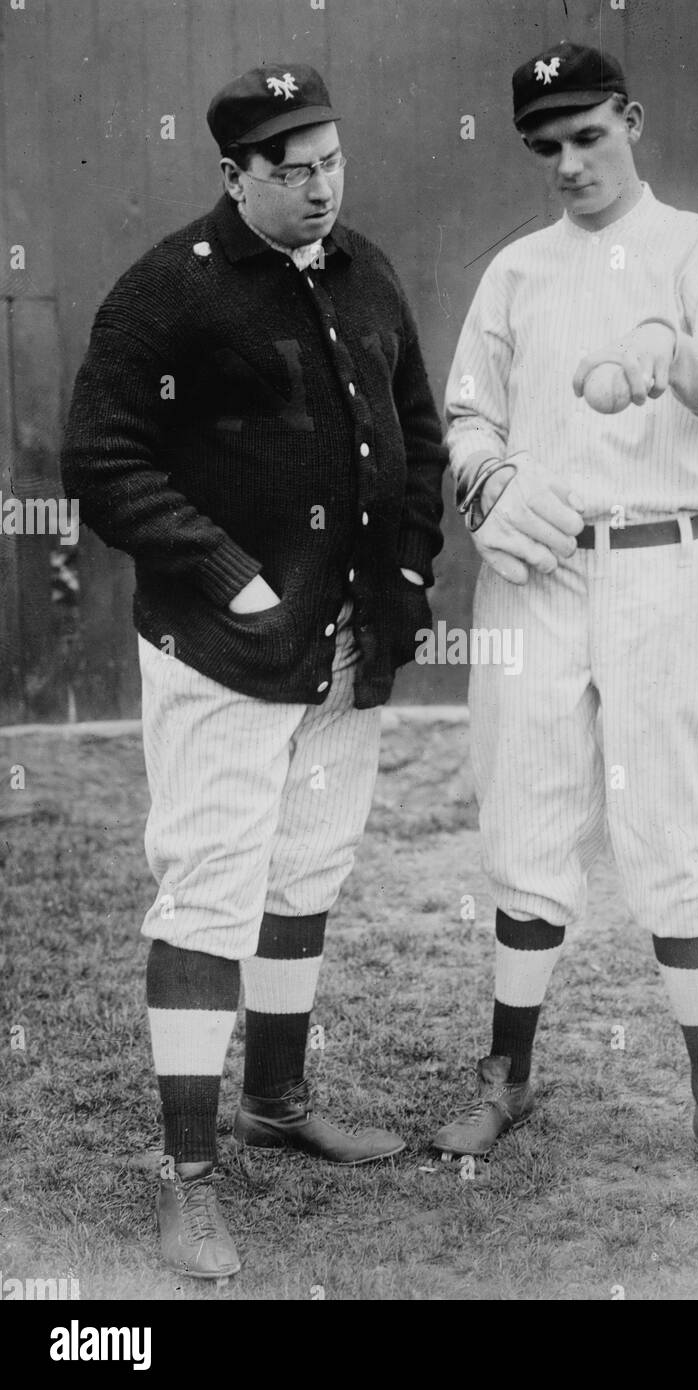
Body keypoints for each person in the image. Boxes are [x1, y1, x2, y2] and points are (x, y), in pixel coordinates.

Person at [60, 62, 446, 1277]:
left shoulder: (366, 269)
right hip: (223, 652)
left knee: (307, 868)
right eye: (290, 172)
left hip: (344, 649)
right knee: (209, 890)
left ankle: (277, 1102)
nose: (319, 188)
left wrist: (408, 580)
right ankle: (185, 1178)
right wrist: (231, 572)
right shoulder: (169, 293)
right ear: (234, 175)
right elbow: (102, 455)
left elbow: (419, 437)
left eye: (330, 162)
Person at [435, 41, 698, 1191]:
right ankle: (507, 1076)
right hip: (536, 571)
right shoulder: (514, 272)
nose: (571, 162)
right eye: (547, 145)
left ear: (630, 119)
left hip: (662, 565)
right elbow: (466, 418)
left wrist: (665, 348)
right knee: (525, 822)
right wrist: (488, 481)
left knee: (673, 828)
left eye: (589, 134)